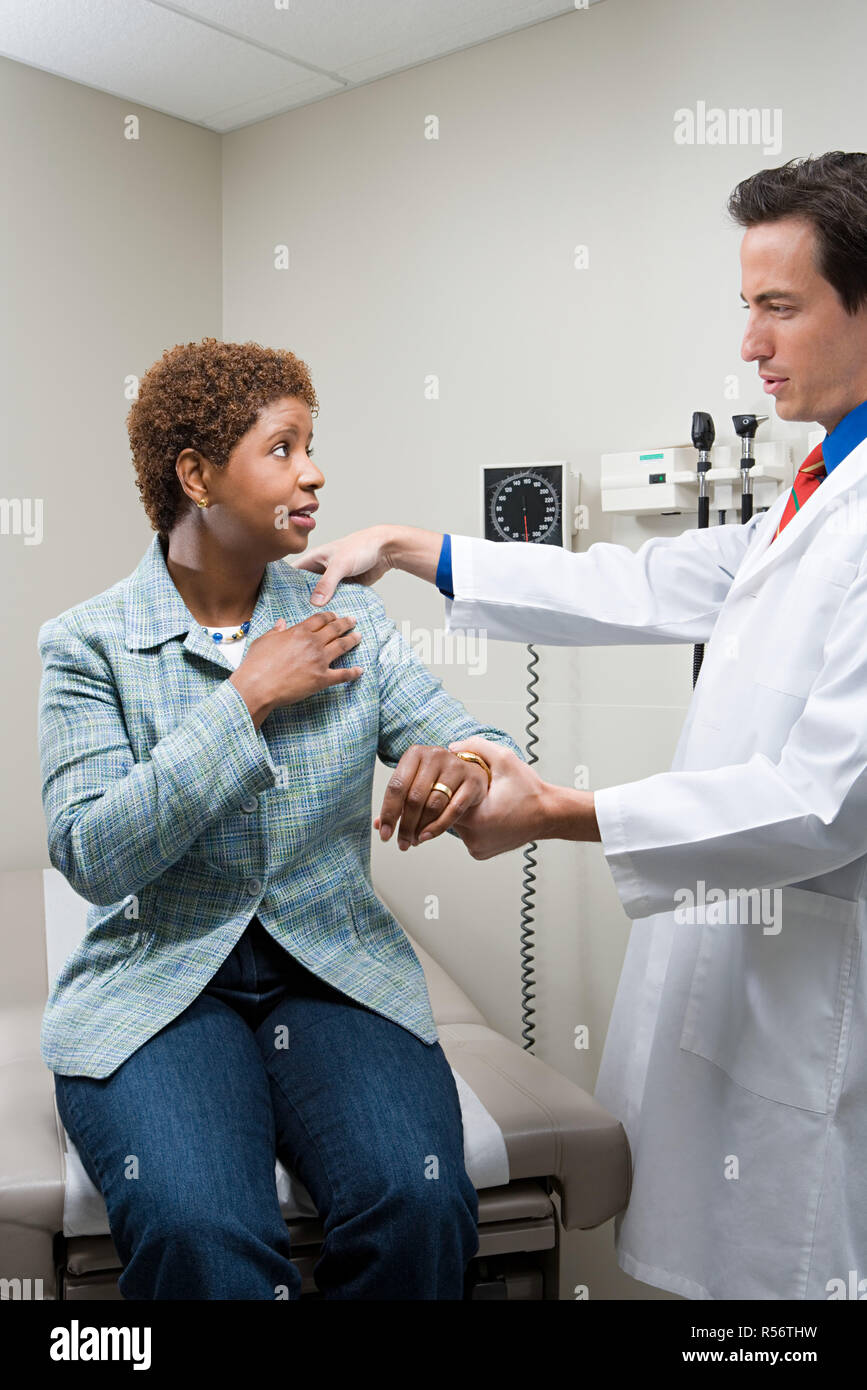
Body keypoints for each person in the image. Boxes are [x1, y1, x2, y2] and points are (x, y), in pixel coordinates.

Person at [291, 153, 867, 1301]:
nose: (749, 343)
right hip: (742, 969)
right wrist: (414, 547)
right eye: (745, 308)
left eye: (778, 308)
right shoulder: (814, 484)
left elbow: (825, 800)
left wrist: (554, 808)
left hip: (813, 994)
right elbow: (640, 585)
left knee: (795, 1290)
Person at [37, 337, 527, 1300]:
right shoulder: (88, 643)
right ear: (196, 475)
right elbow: (91, 854)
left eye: (312, 445)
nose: (314, 473)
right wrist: (245, 700)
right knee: (200, 1231)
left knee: (419, 1204)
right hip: (159, 983)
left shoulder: (347, 618)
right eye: (283, 448)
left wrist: (461, 765)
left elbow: (477, 742)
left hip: (330, 972)